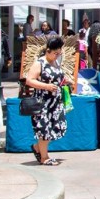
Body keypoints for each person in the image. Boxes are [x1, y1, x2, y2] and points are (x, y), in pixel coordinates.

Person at [25, 35, 68, 165]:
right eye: (55, 53)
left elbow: (57, 77)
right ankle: (44, 157)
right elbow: (29, 80)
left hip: (55, 102)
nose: (57, 56)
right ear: (48, 50)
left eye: (59, 53)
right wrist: (46, 86)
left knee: (56, 127)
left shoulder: (55, 62)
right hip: (43, 101)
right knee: (44, 129)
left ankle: (38, 148)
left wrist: (66, 82)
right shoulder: (40, 63)